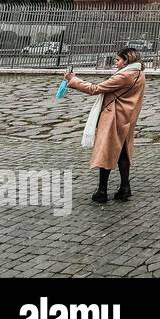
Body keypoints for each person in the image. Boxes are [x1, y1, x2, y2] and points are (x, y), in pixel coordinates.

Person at [65, 47, 147, 204]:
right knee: (123, 153)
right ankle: (125, 188)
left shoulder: (124, 76)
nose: (116, 63)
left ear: (126, 61)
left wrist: (73, 80)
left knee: (107, 151)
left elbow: (95, 89)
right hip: (128, 116)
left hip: (114, 117)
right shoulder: (140, 73)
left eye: (118, 60)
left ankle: (102, 191)